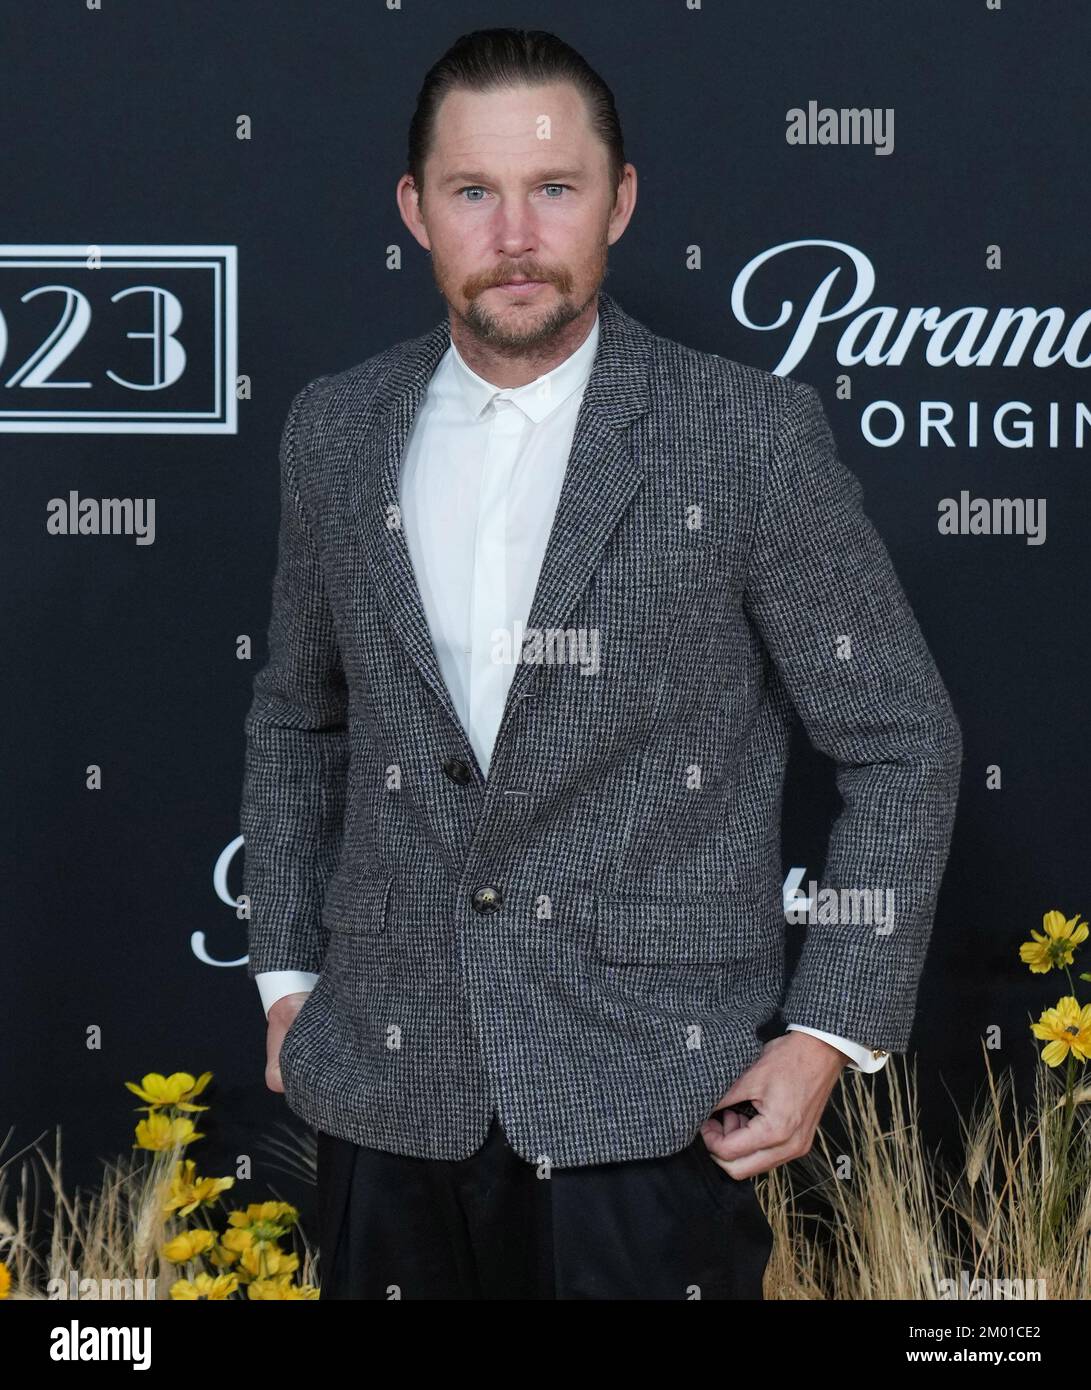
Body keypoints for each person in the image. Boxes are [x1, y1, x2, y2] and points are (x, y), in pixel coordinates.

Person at [239, 27, 962, 1300]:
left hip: (655, 1103)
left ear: (618, 200)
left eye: (554, 188)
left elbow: (900, 738)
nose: (515, 234)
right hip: (387, 1093)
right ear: (415, 210)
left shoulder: (745, 438)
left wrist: (825, 1035)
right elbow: (299, 718)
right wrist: (289, 980)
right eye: (474, 192)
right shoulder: (336, 429)